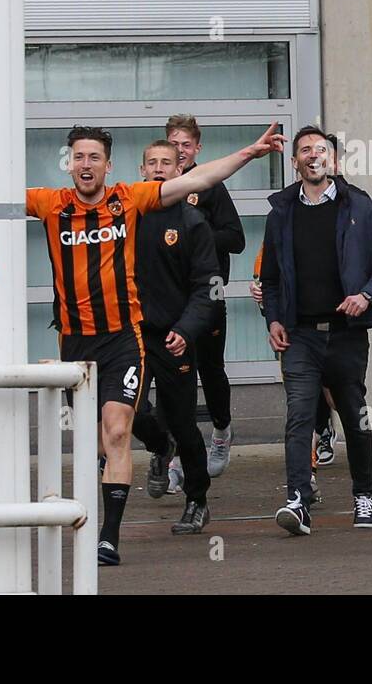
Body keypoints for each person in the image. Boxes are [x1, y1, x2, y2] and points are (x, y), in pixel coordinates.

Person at [0, 121, 284, 564]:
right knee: (93, 442)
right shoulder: (52, 205)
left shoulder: (128, 199)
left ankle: (108, 538)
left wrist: (250, 152)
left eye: (94, 157)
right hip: (75, 343)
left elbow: (197, 179)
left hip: (123, 340)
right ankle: (113, 497)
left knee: (116, 430)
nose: (86, 164)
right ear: (69, 163)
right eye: (79, 157)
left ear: (108, 166)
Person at [261, 126, 372, 535]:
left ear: (334, 160)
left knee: (356, 414)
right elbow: (269, 279)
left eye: (320, 149)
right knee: (299, 415)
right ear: (294, 163)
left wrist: (367, 296)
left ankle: (364, 495)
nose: (312, 155)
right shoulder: (281, 213)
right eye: (304, 150)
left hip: (346, 333)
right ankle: (299, 500)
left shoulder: (360, 207)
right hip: (299, 334)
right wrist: (272, 318)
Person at [134, 140, 220, 533]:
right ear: (141, 170)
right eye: (151, 163)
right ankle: (158, 445)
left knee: (184, 422)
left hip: (175, 337)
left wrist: (186, 330)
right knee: (127, 410)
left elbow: (208, 287)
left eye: (166, 163)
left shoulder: (192, 222)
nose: (158, 169)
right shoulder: (126, 218)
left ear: (179, 171)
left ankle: (197, 499)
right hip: (131, 337)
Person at [163, 115, 246, 478]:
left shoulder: (210, 185)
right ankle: (171, 453)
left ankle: (222, 430)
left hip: (207, 293)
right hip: (170, 296)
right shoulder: (157, 188)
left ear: (197, 148)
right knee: (172, 373)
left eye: (186, 145)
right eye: (173, 144)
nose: (179, 151)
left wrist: (196, 236)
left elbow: (237, 238)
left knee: (210, 370)